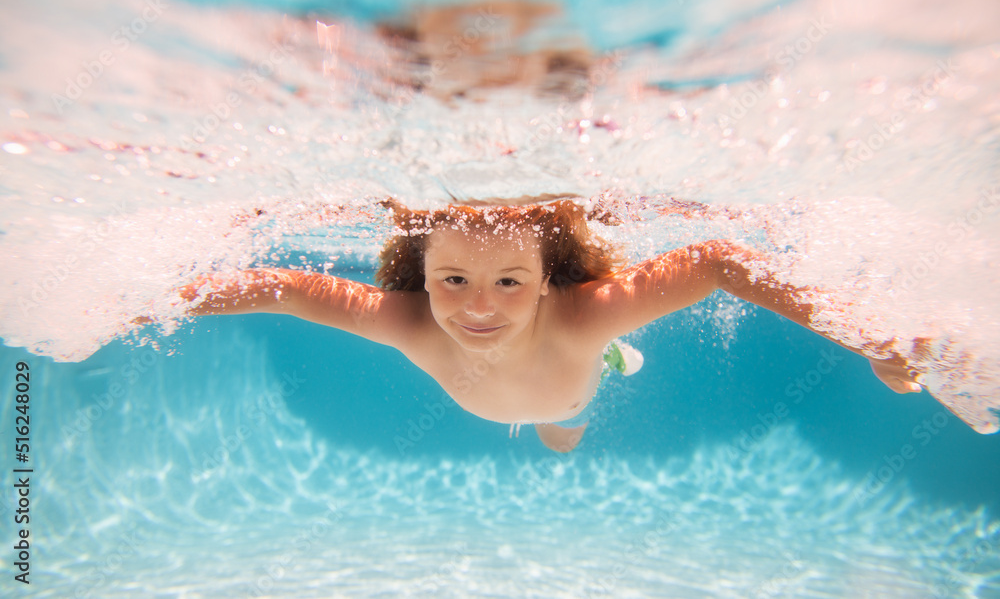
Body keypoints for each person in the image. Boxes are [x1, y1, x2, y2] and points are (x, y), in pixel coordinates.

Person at [172, 198, 923, 452]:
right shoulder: (406, 321)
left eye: (509, 283)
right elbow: (288, 288)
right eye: (453, 280)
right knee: (550, 421)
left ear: (544, 284)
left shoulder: (579, 313)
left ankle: (613, 363)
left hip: (571, 382)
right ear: (422, 274)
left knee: (566, 423)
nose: (477, 308)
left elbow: (721, 261)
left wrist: (863, 335)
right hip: (539, 384)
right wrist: (163, 296)